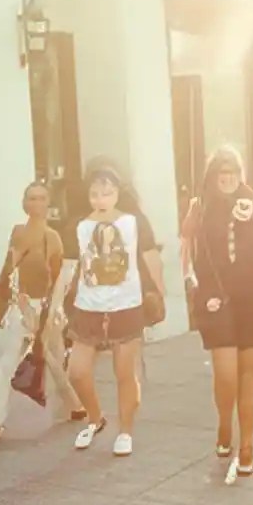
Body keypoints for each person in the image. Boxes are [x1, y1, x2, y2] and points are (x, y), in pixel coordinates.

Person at [181, 146, 253, 476]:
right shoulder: (200, 206)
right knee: (225, 373)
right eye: (222, 173)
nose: (227, 178)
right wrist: (189, 278)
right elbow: (187, 244)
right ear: (212, 176)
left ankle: (247, 445)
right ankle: (225, 423)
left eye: (233, 172)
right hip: (215, 293)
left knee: (249, 372)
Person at [0, 182, 85, 441]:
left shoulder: (52, 238)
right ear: (25, 203)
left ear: (48, 203)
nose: (36, 203)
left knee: (50, 360)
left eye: (41, 198)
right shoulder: (18, 232)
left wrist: (48, 314)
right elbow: (8, 266)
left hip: (43, 308)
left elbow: (57, 278)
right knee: (7, 362)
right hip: (20, 306)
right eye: (31, 198)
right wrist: (1, 295)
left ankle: (75, 406)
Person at [66, 167, 165, 457]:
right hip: (88, 307)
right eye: (95, 193)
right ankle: (95, 419)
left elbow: (151, 256)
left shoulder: (134, 223)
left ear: (118, 193)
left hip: (126, 305)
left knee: (124, 372)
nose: (101, 199)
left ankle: (125, 430)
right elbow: (69, 267)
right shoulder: (79, 225)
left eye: (107, 192)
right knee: (77, 371)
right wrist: (58, 302)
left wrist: (159, 294)